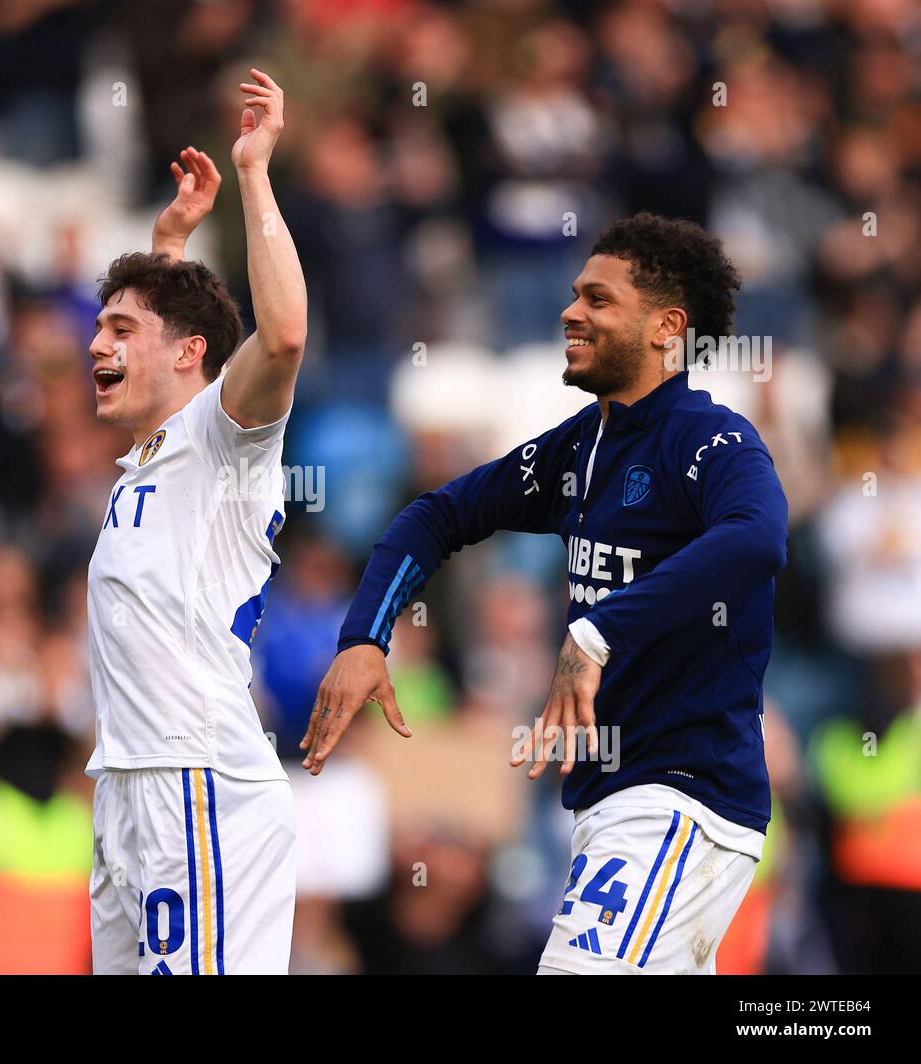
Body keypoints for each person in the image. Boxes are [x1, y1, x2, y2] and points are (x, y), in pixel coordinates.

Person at [303, 214, 789, 975]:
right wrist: (365, 635)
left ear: (668, 327)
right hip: (608, 805)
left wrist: (596, 633)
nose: (571, 312)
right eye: (573, 295)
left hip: (681, 798)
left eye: (598, 299)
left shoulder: (712, 440)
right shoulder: (581, 446)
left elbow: (757, 541)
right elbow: (436, 515)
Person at [84, 70, 306, 974]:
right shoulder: (154, 452)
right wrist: (168, 242)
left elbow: (282, 334)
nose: (95, 345)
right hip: (126, 788)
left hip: (197, 783)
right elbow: (181, 330)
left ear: (189, 359)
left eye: (117, 330)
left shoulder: (225, 440)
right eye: (98, 327)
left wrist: (254, 173)